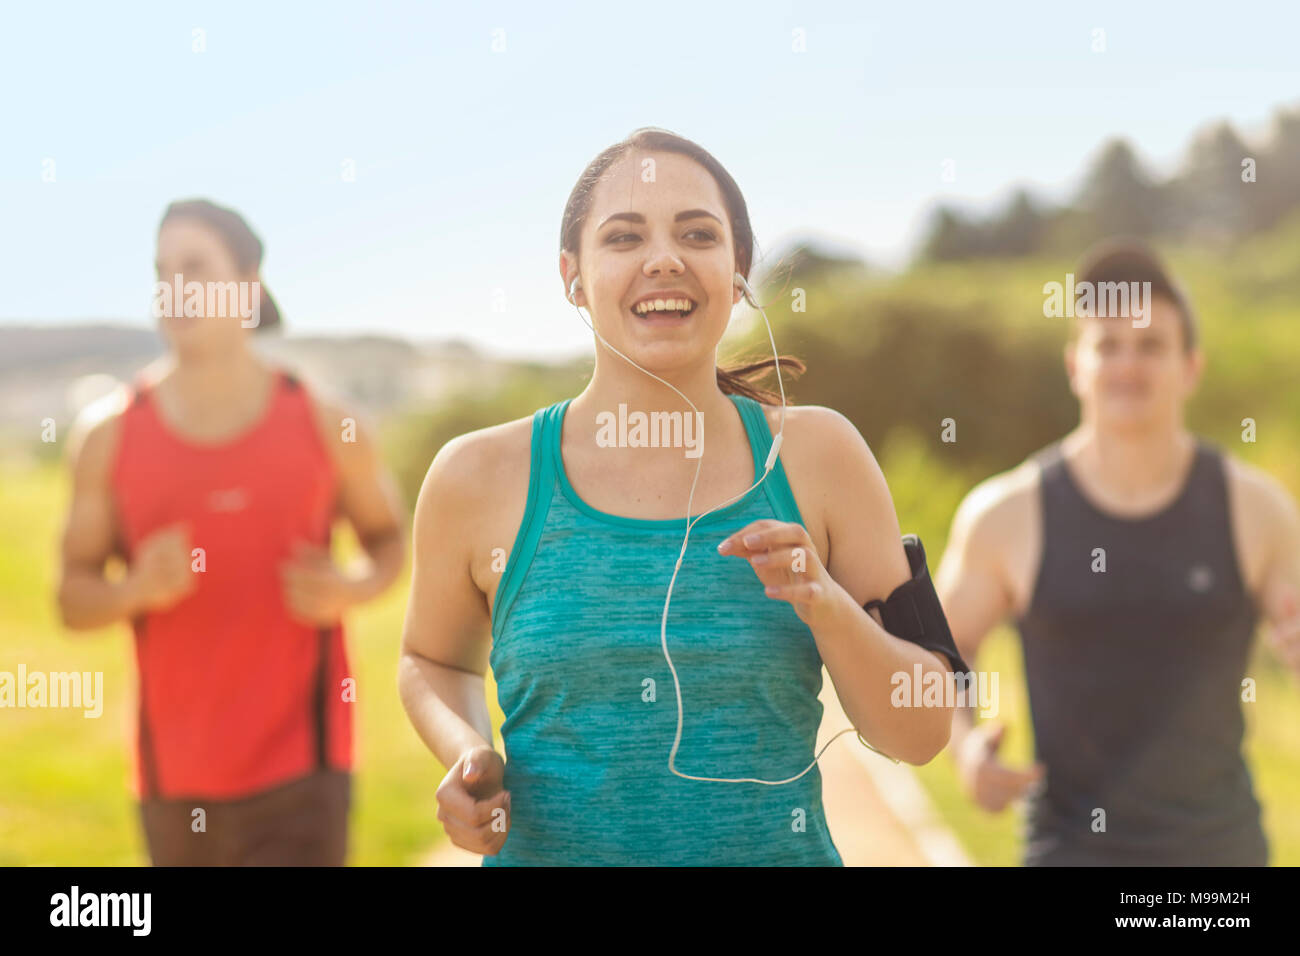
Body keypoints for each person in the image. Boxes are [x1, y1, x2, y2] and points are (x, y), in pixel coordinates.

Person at [398, 128, 960, 866]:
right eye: (624, 237)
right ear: (572, 276)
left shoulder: (819, 456)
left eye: (697, 233)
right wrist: (469, 753)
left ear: (738, 270)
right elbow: (430, 659)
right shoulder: (475, 477)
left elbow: (919, 733)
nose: (664, 258)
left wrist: (827, 602)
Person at [57, 199, 407, 866]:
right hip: (173, 776)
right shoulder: (106, 437)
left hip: (305, 766)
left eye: (195, 267)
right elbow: (70, 597)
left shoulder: (327, 421)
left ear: (248, 286)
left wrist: (351, 585)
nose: (174, 288)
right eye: (162, 270)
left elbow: (389, 540)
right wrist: (134, 589)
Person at [935, 239, 1300, 866]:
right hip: (1067, 852)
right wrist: (966, 746)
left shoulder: (1257, 509)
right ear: (1076, 364)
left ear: (1191, 366)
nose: (1128, 366)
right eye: (1109, 346)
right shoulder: (1006, 515)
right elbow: (938, 653)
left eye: (1152, 345)